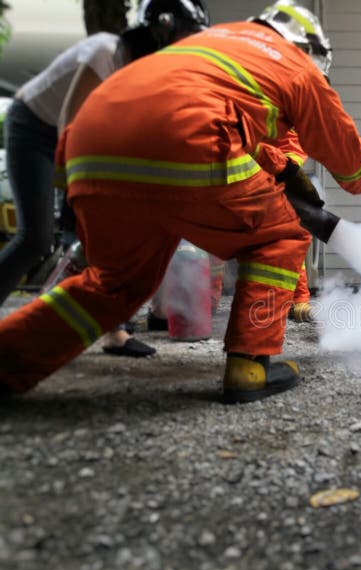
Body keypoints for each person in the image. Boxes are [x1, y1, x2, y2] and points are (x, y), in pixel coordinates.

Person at [0, 0, 361, 403]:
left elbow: (222, 122)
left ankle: (7, 360)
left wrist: (283, 168)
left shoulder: (208, 45)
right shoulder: (295, 65)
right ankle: (250, 366)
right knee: (281, 235)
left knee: (116, 284)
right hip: (181, 143)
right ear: (307, 48)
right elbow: (354, 173)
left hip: (89, 149)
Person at [0, 0, 210, 356]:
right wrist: (79, 198)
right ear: (160, 30)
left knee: (108, 240)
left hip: (73, 139)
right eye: (184, 37)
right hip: (35, 129)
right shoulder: (105, 52)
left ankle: (114, 332)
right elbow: (71, 124)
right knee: (35, 239)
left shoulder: (146, 71)